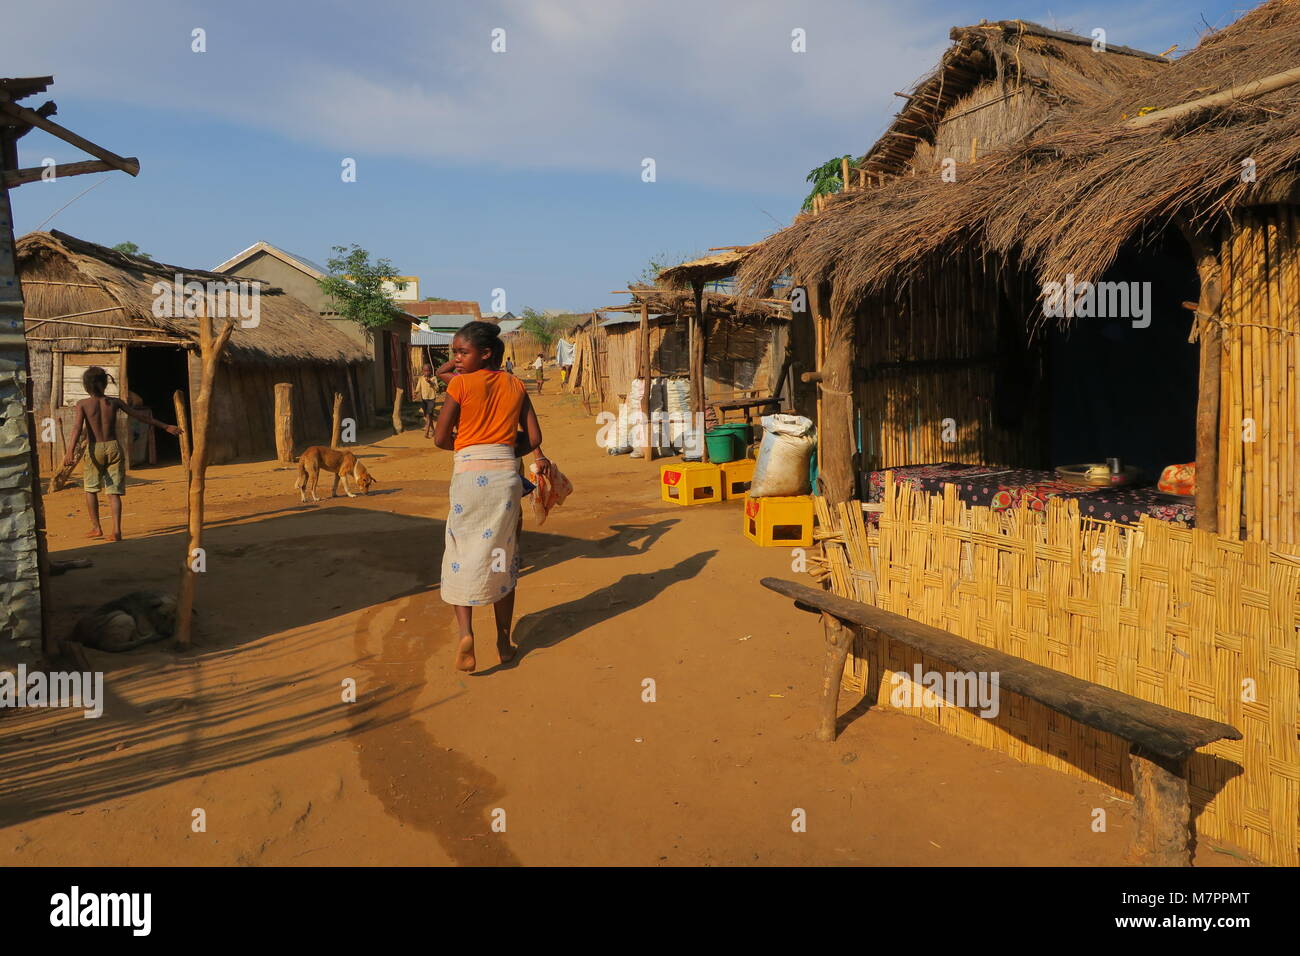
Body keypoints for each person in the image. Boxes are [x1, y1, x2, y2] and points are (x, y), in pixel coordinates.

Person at [434, 322, 549, 672]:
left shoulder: (460, 385)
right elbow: (534, 436)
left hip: (468, 477)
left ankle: (466, 634)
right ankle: (503, 642)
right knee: (503, 555)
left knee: (461, 553)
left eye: (461, 353)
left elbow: (440, 439)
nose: (455, 359)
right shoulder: (515, 383)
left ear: (484, 353)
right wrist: (502, 449)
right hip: (504, 478)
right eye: (454, 353)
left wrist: (470, 446)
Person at [64, 366, 182, 542]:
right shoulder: (115, 402)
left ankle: (97, 528)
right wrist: (166, 426)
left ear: (86, 386)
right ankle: (117, 531)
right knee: (114, 492)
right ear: (105, 384)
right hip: (113, 448)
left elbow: (76, 429)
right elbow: (141, 417)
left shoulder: (83, 404)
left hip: (94, 448)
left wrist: (69, 452)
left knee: (90, 489)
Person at [415, 362, 439, 438]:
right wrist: (415, 393)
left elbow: (437, 389)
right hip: (424, 400)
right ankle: (434, 431)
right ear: (422, 371)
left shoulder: (434, 378)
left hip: (431, 399)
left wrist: (431, 382)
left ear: (430, 371)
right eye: (425, 371)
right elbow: (418, 388)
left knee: (429, 415)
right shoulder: (421, 379)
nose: (426, 372)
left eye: (428, 371)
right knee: (428, 416)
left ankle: (427, 432)